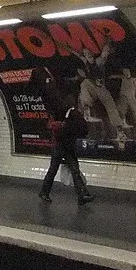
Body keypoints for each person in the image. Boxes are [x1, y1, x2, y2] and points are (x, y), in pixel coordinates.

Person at [37, 69, 94, 205]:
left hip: (64, 143)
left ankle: (81, 195)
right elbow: (52, 125)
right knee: (62, 169)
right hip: (61, 144)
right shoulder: (62, 111)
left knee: (70, 169)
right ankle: (46, 192)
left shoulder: (64, 110)